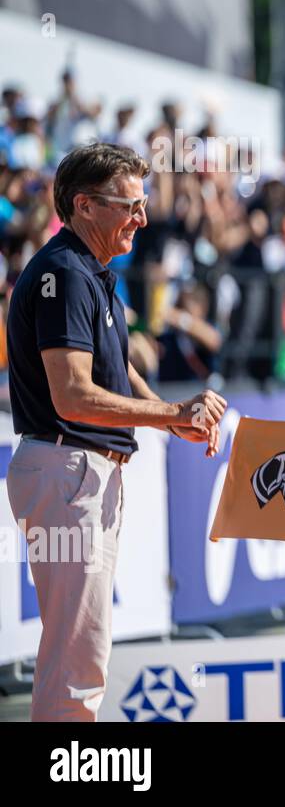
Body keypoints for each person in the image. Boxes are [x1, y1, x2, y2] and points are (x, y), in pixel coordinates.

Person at [4, 143, 227, 721]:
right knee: (76, 660)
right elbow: (73, 394)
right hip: (67, 468)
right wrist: (173, 414)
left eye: (144, 203)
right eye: (130, 205)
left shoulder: (88, 271)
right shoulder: (66, 272)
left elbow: (115, 367)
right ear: (84, 206)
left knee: (81, 653)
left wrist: (167, 414)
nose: (143, 218)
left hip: (74, 470)